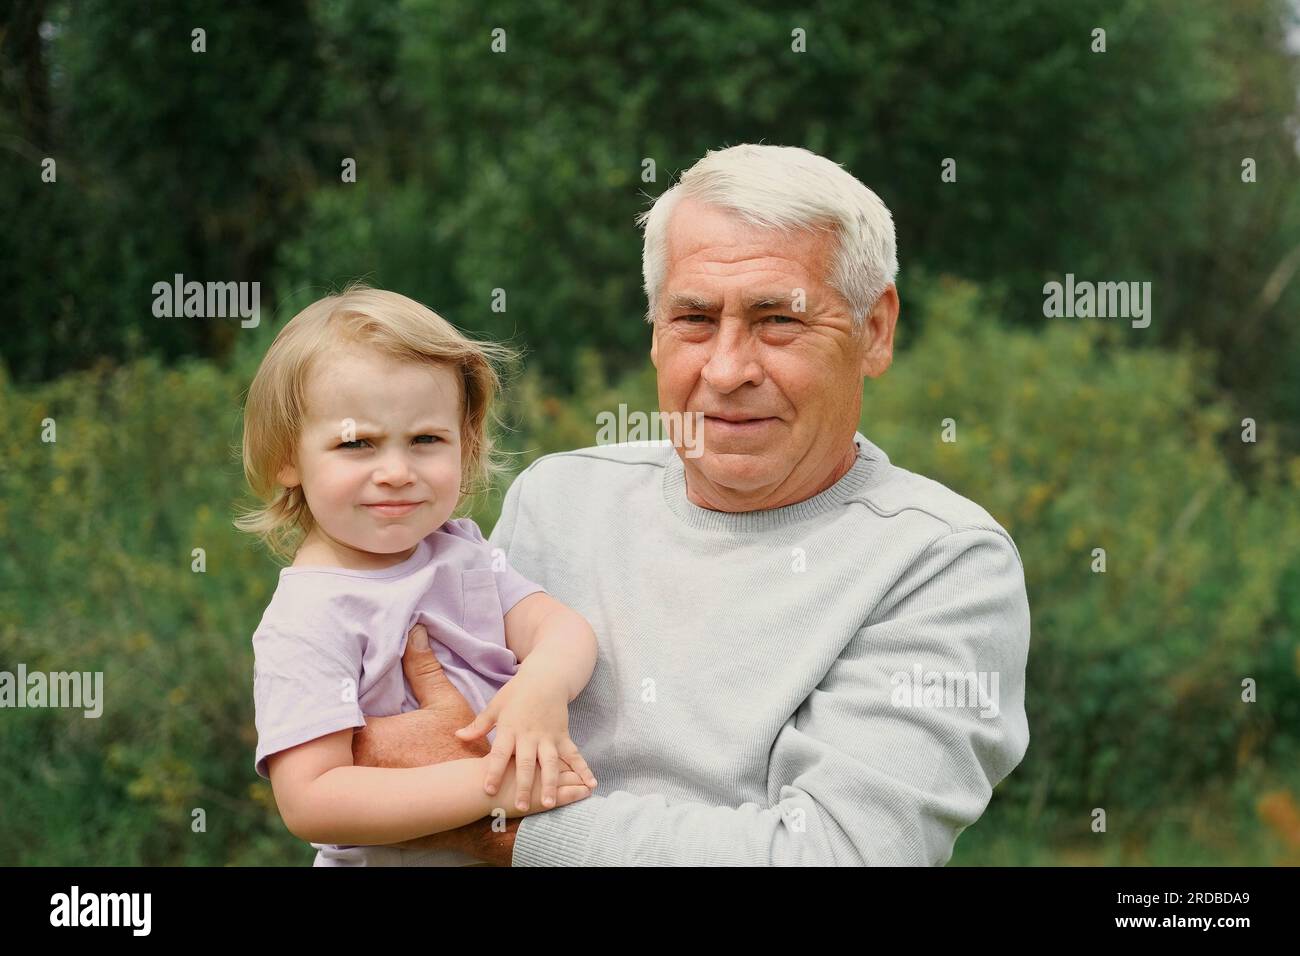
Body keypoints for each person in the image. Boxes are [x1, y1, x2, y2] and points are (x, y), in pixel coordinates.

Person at [356, 144, 1032, 865]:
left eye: (778, 320)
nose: (728, 369)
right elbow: (375, 739)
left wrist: (476, 815)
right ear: (654, 332)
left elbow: (833, 855)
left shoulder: (943, 563)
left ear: (875, 329)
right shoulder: (558, 499)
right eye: (695, 319)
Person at [237, 286, 599, 865]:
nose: (397, 472)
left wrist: (543, 687)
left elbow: (562, 630)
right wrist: (492, 784)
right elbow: (312, 798)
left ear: (467, 442)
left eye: (426, 439)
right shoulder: (308, 617)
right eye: (357, 443)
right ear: (287, 457)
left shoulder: (461, 553)